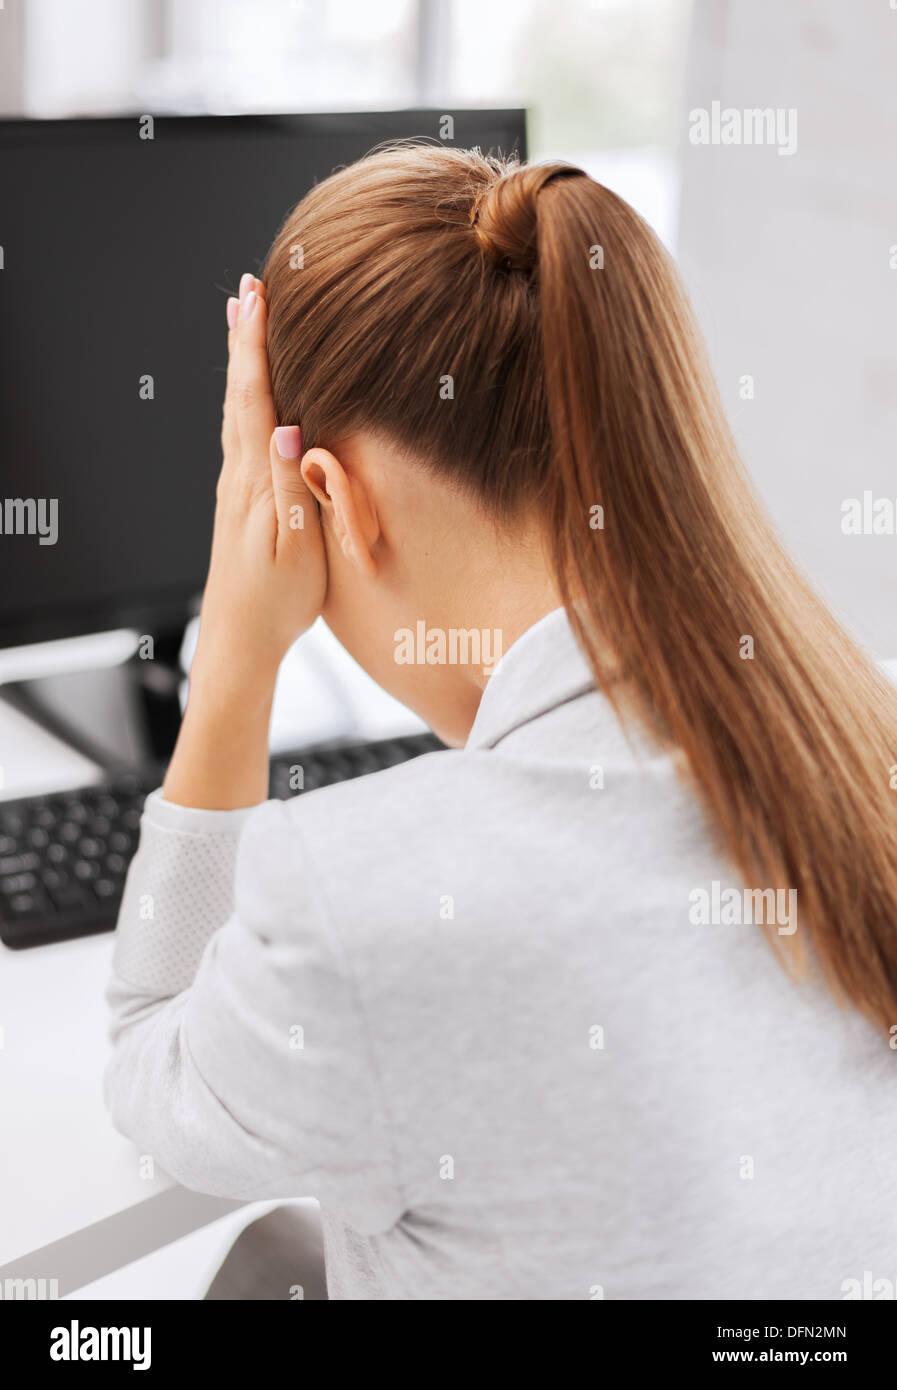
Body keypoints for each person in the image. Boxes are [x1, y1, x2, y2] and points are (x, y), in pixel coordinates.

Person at [104, 145, 897, 1300]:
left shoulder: (355, 900)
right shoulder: (855, 728)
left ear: (327, 500)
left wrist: (232, 649)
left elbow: (153, 1074)